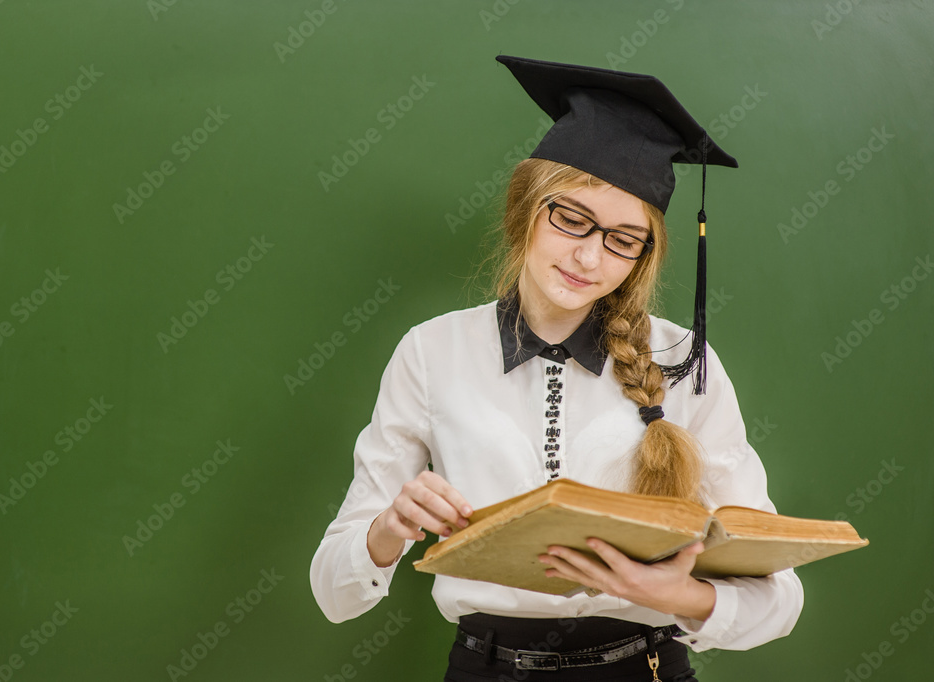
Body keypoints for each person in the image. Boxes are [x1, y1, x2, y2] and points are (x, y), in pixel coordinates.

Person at [310, 55, 803, 682]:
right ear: (526, 209)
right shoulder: (432, 351)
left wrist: (675, 595)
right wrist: (387, 529)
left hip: (643, 668)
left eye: (623, 239)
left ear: (642, 255)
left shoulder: (683, 364)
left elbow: (779, 598)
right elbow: (334, 593)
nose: (590, 257)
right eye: (571, 218)